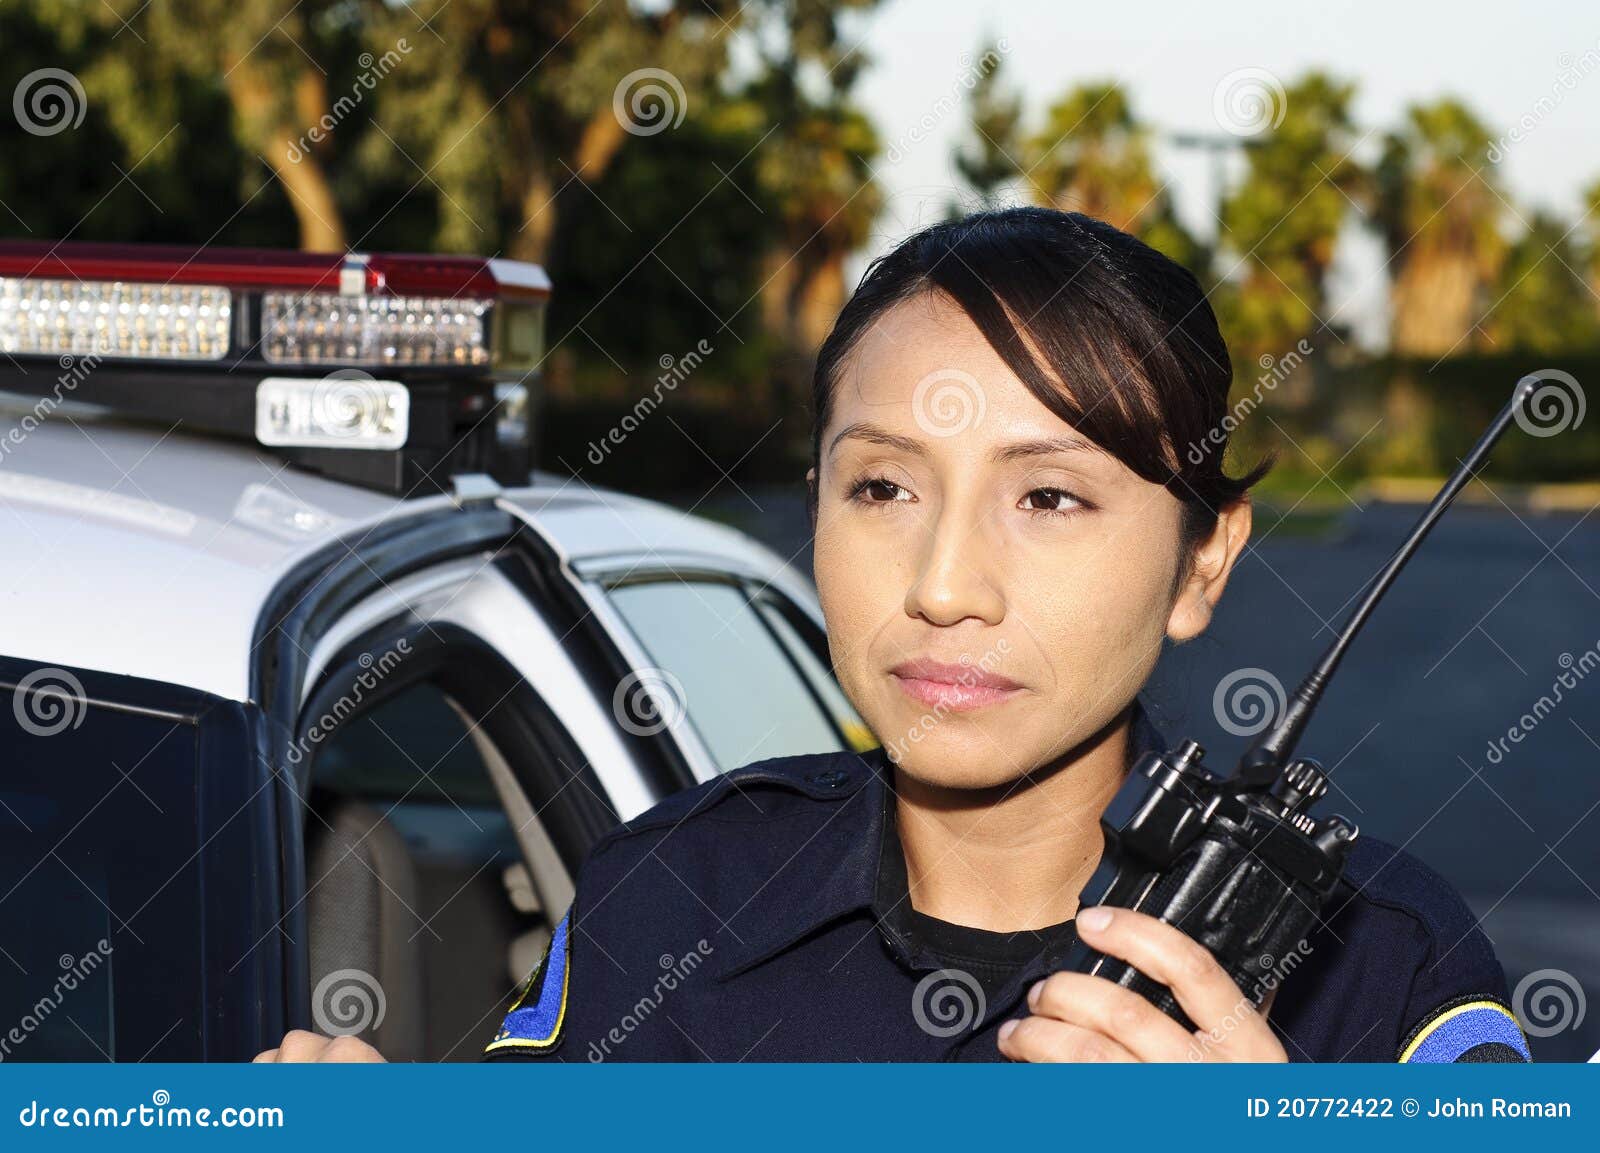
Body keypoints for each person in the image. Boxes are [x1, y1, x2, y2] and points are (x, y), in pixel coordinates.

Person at [255, 206, 1529, 1065]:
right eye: (882, 488)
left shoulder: (1389, 978)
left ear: (1204, 559)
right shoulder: (670, 897)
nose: (944, 583)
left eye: (1049, 496)